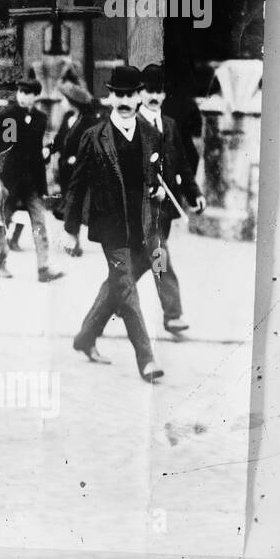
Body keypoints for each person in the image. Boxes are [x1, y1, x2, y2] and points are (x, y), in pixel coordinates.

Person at [60, 65, 170, 383]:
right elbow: (77, 185)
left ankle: (85, 336)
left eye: (130, 94)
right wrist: (70, 229)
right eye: (118, 94)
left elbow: (155, 176)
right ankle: (147, 359)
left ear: (139, 97)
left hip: (142, 224)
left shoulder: (152, 136)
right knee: (125, 285)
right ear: (110, 97)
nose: (124, 100)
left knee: (117, 286)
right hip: (110, 225)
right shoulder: (93, 137)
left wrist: (159, 190)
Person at [139, 62, 206, 335]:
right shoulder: (134, 125)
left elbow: (182, 166)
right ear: (140, 92)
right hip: (143, 210)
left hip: (166, 210)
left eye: (160, 91)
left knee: (135, 265)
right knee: (159, 256)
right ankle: (173, 314)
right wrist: (151, 189)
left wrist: (195, 193)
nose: (155, 96)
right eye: (149, 90)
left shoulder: (169, 124)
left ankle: (114, 301)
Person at [0, 78, 62, 283]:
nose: (23, 96)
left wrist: (44, 155)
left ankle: (43, 268)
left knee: (39, 223)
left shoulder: (40, 118)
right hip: (10, 181)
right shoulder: (8, 116)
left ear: (35, 96)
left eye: (28, 93)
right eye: (21, 92)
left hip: (32, 182)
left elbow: (36, 150)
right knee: (3, 221)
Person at [51, 82, 99, 218]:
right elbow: (59, 138)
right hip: (65, 165)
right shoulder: (67, 118)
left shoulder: (88, 121)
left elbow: (91, 144)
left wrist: (77, 157)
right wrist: (51, 150)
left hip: (80, 166)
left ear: (73, 102)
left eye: (64, 100)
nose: (62, 103)